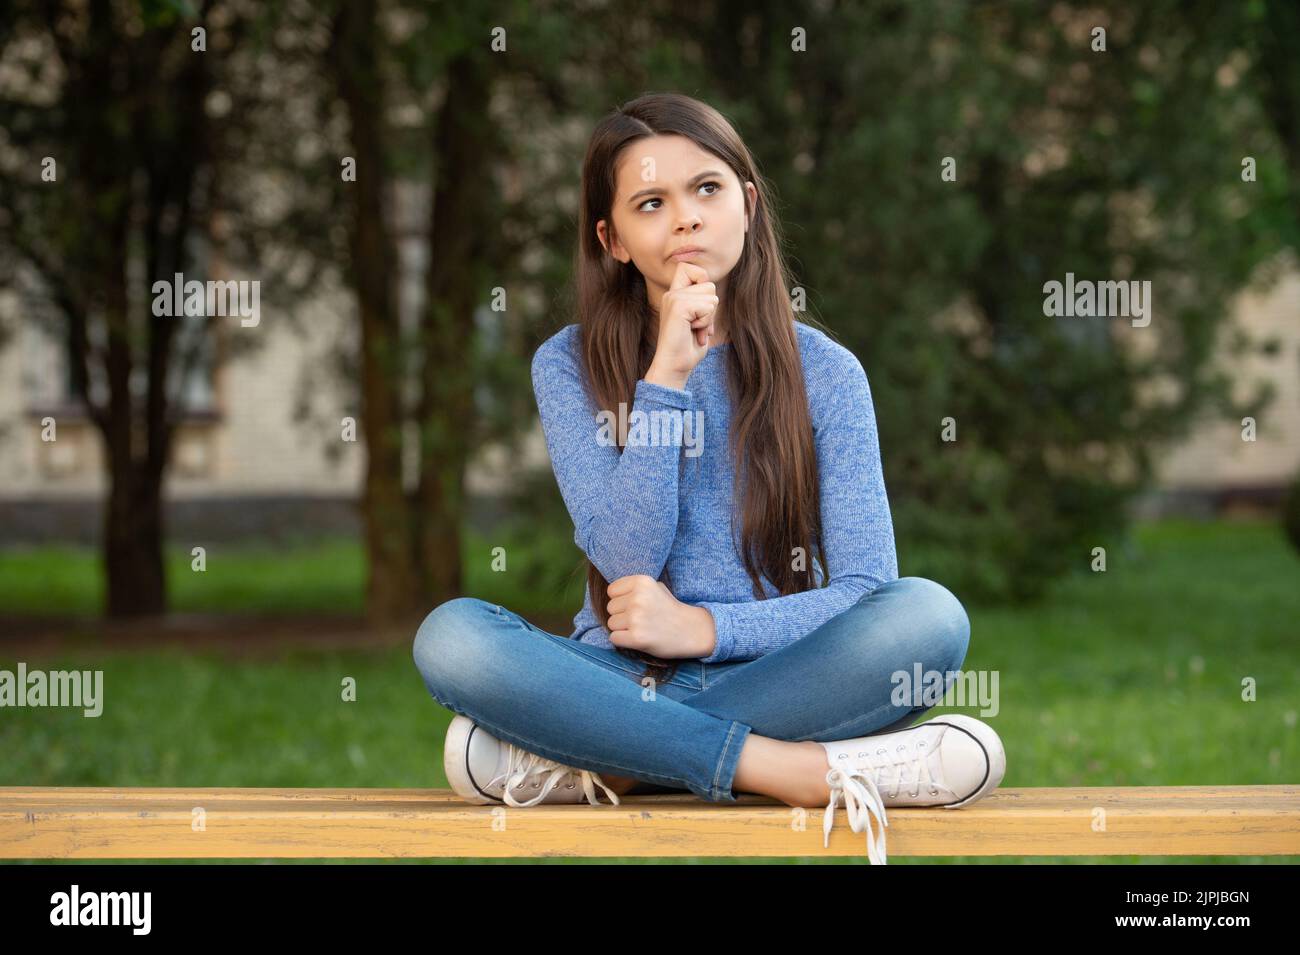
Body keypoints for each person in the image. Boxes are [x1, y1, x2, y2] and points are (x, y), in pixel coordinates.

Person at [413, 92, 1006, 864]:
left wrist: (706, 629)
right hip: (621, 674)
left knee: (930, 617)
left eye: (707, 189)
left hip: (781, 675)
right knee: (452, 637)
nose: (686, 218)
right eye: (651, 202)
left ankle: (610, 760)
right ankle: (786, 767)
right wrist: (665, 376)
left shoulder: (827, 373)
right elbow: (625, 560)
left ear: (748, 205)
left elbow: (866, 588)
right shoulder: (567, 363)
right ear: (613, 238)